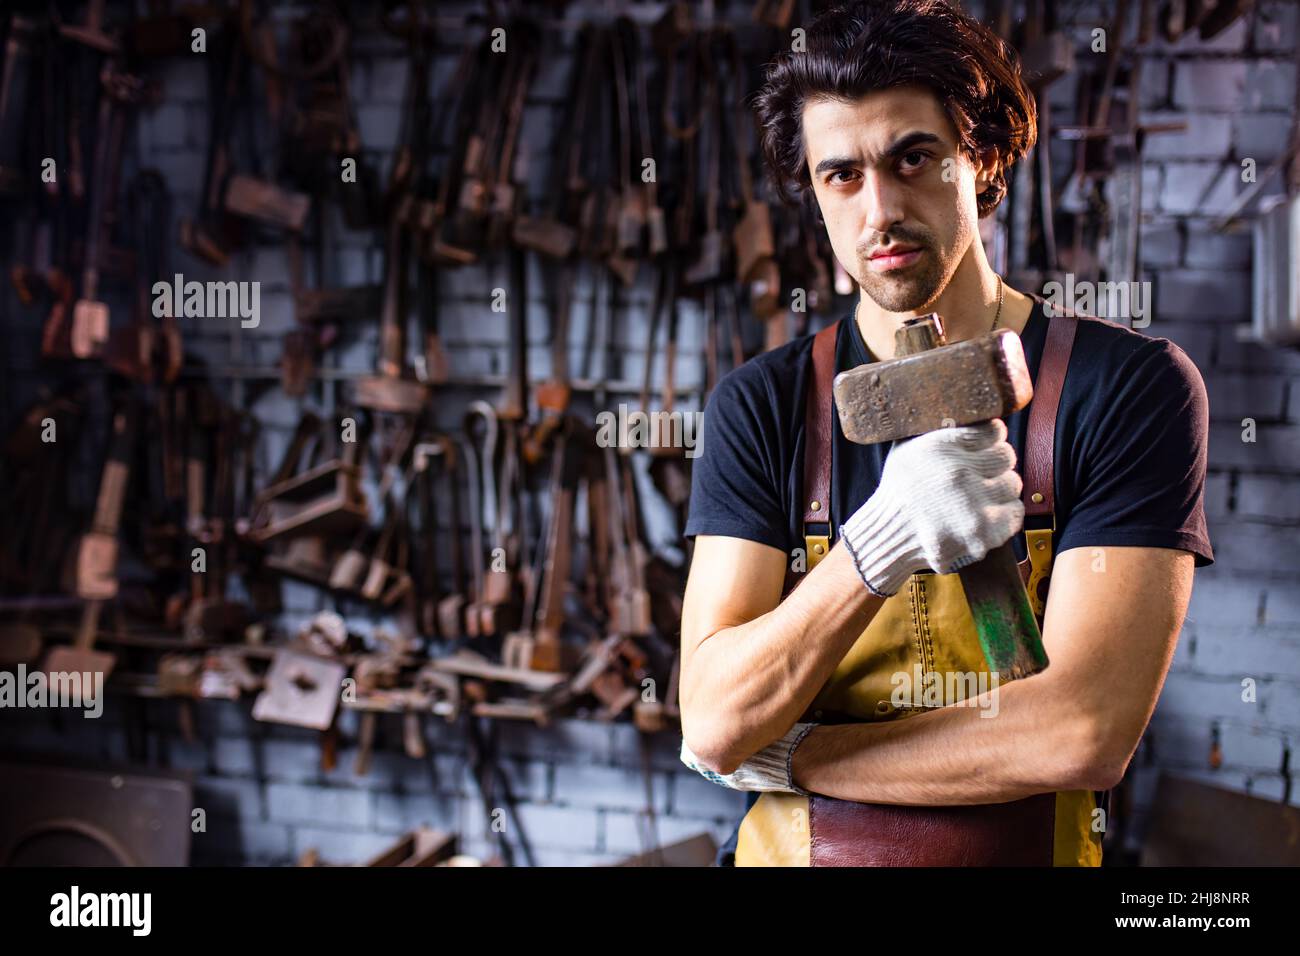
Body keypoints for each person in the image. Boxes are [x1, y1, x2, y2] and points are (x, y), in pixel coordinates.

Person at [677, 0, 1214, 866]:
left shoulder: (1129, 389)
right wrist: (879, 545)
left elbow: (1080, 734)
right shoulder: (762, 406)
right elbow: (713, 718)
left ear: (984, 158)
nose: (879, 210)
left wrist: (796, 756)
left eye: (913, 158)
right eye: (841, 175)